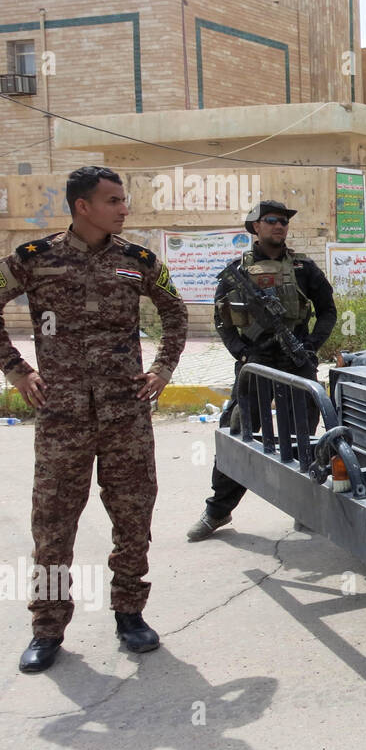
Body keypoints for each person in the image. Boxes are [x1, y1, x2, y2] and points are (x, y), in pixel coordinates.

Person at [0, 166, 188, 673]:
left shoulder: (139, 261)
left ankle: (130, 614)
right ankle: (47, 629)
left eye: (123, 200)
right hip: (62, 417)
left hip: (125, 414)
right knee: (53, 527)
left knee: (132, 518)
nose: (124, 209)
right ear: (83, 206)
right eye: (114, 201)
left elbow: (176, 313)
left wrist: (163, 370)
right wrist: (17, 371)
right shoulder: (34, 259)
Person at [187, 199, 336, 541]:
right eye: (271, 220)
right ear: (255, 226)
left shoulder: (303, 268)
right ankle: (217, 510)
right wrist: (241, 353)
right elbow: (221, 319)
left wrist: (311, 346)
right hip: (257, 364)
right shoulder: (236, 273)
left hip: (296, 361)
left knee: (303, 437)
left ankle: (305, 507)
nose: (279, 225)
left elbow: (328, 311)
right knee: (239, 433)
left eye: (283, 220)